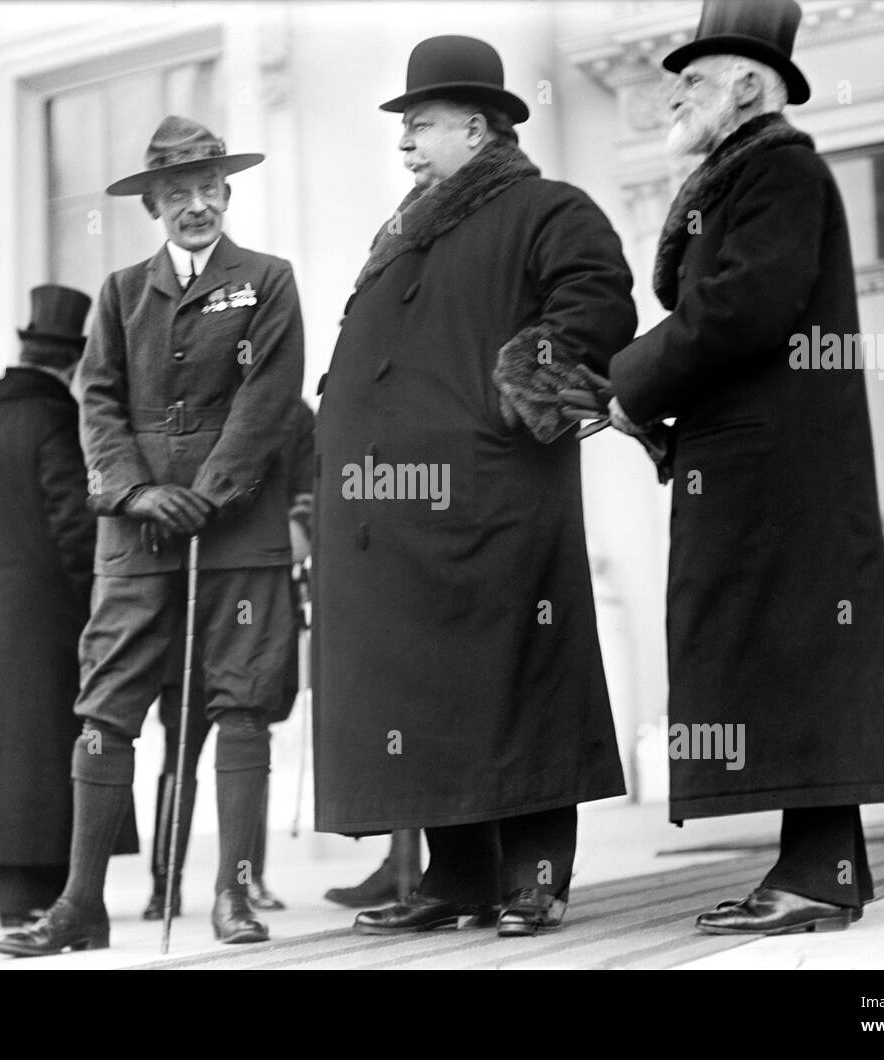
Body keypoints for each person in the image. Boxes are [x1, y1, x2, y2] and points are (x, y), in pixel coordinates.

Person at [560, 0, 884, 934]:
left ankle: (817, 876)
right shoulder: (746, 174)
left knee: (795, 660)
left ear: (749, 85)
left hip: (779, 471)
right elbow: (719, 312)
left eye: (693, 80)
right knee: (784, 660)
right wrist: (630, 385)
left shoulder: (778, 172)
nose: (674, 93)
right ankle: (821, 870)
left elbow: (741, 308)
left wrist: (629, 383)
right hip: (758, 463)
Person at [312, 35, 636, 938]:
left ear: (480, 125)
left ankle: (534, 879)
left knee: (518, 681)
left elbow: (599, 299)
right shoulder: (405, 234)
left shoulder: (546, 208)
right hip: (392, 517)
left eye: (420, 125)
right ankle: (456, 880)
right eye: (404, 127)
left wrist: (521, 391)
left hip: (493, 499)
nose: (405, 143)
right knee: (426, 697)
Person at [0, 116, 304, 956]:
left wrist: (207, 492)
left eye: (208, 190)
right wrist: (137, 493)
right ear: (154, 208)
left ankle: (234, 898)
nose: (195, 207)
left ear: (228, 195)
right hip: (137, 539)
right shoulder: (120, 293)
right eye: (178, 196)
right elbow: (95, 402)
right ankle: (80, 906)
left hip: (239, 535)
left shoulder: (270, 281)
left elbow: (270, 399)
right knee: (106, 706)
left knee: (241, 702)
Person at [0, 285, 131, 929]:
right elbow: (77, 532)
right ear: (70, 366)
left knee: (2, 756)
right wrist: (99, 601)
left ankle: (12, 898)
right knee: (52, 755)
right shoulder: (56, 423)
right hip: (51, 625)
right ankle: (58, 895)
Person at [141, 398, 314, 920]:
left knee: (248, 738)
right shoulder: (184, 403)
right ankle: (163, 886)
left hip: (259, 603)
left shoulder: (294, 416)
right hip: (187, 604)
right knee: (180, 752)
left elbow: (306, 524)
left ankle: (244, 880)